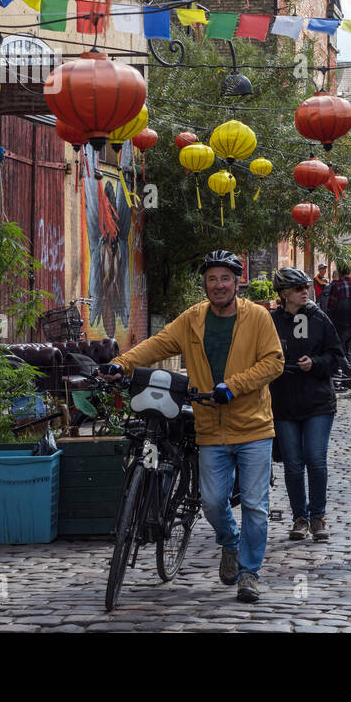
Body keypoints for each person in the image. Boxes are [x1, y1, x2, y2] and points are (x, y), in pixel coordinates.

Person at [110, 251, 283, 601]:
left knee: (254, 504)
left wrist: (234, 385)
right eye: (212, 279)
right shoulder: (192, 319)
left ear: (237, 282)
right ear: (205, 284)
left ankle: (249, 573)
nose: (218, 285)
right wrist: (122, 363)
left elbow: (274, 361)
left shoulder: (258, 318)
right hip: (209, 427)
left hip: (252, 427)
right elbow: (157, 344)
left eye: (225, 279)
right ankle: (230, 543)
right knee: (213, 503)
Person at [268, 267, 345, 542]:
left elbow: (337, 357)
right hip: (284, 402)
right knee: (292, 464)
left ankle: (318, 517)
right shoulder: (270, 321)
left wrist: (315, 363)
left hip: (317, 403)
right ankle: (299, 518)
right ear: (284, 294)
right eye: (298, 288)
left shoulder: (319, 319)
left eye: (306, 287)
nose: (305, 292)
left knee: (315, 459)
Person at [325, 261, 351, 390]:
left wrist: (329, 323)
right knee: (347, 350)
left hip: (339, 322)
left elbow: (331, 306)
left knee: (338, 350)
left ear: (340, 272)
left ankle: (346, 371)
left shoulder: (337, 286)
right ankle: (347, 380)